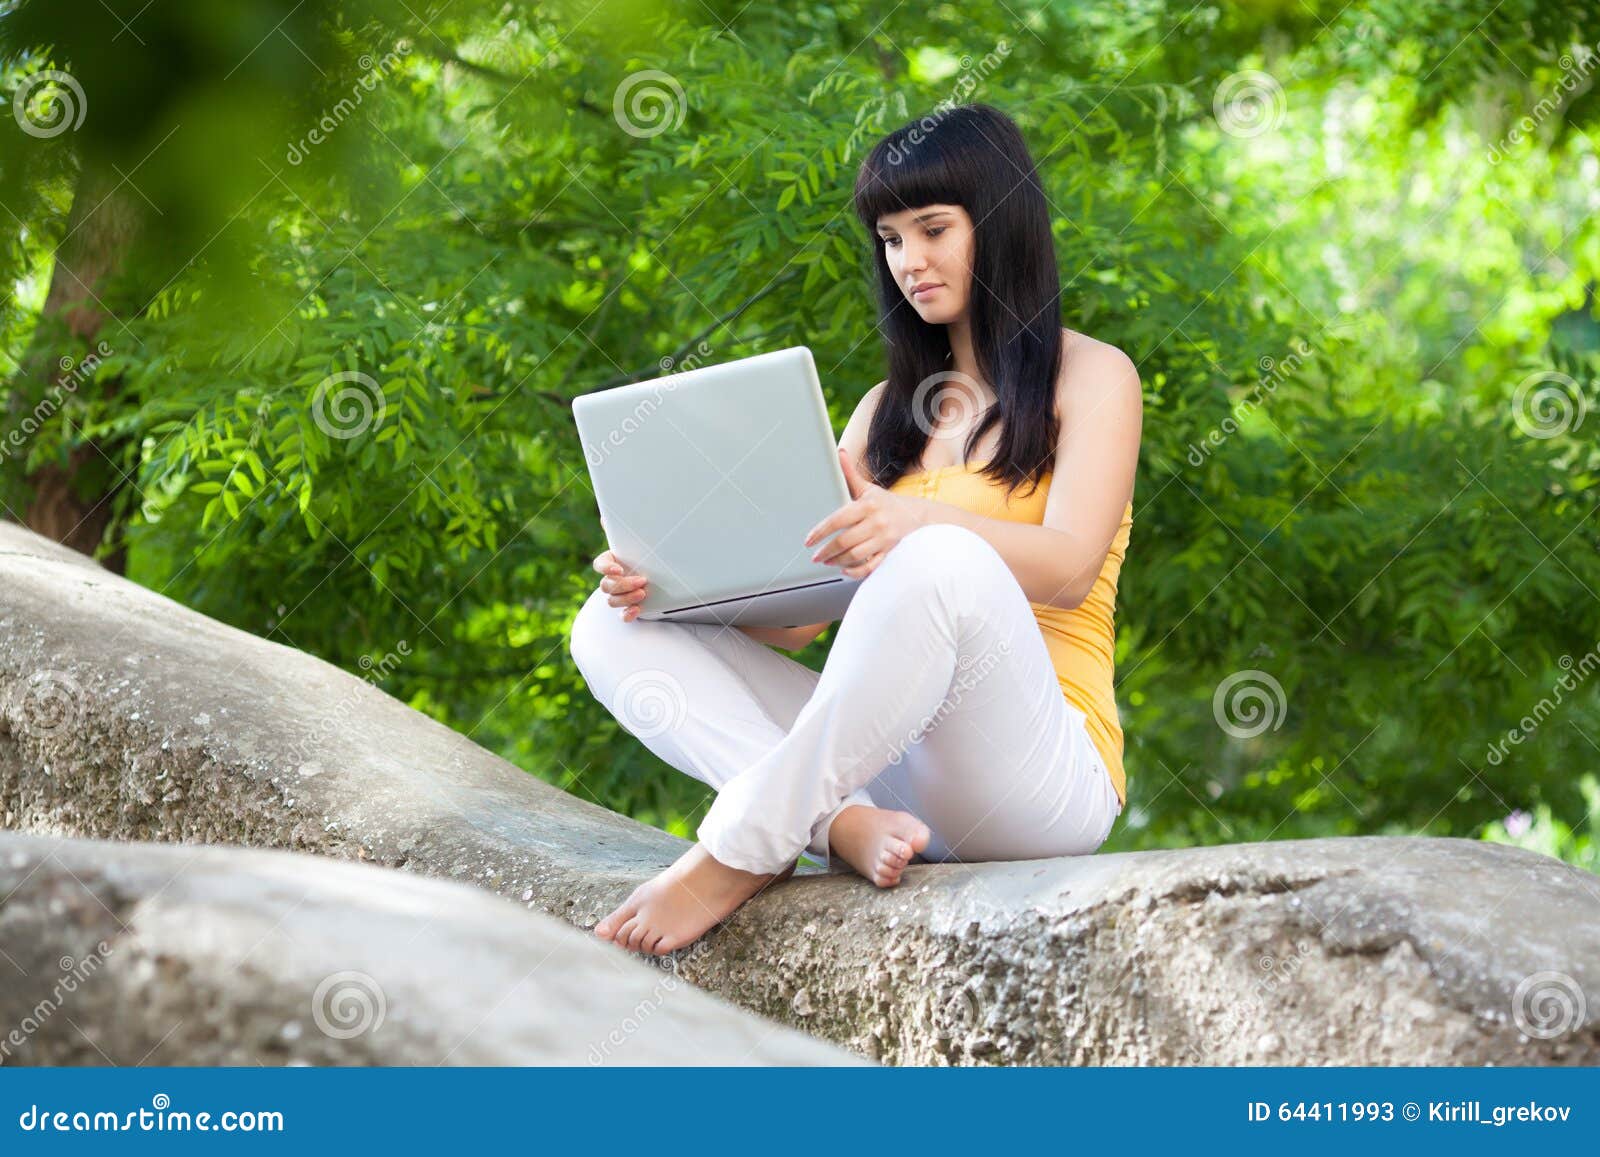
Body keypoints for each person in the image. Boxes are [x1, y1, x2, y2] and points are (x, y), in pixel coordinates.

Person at [569, 102, 1142, 956]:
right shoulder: (882, 413)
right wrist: (674, 585)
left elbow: (1066, 567)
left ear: (1001, 223)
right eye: (890, 239)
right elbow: (802, 617)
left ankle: (737, 850)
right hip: (890, 766)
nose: (910, 261)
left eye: (933, 229)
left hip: (1035, 774)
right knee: (607, 626)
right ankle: (836, 822)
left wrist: (911, 519)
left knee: (939, 556)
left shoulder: (1093, 377)